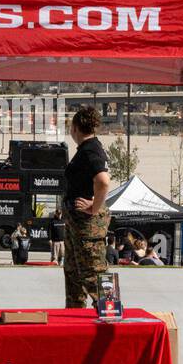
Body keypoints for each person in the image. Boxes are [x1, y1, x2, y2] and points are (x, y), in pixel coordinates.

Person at [61, 107, 110, 308]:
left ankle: (110, 311)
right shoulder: (88, 149)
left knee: (93, 272)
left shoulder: (90, 151)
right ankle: (75, 314)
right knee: (73, 272)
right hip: (77, 223)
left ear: (75, 128)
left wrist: (94, 206)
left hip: (86, 223)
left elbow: (103, 181)